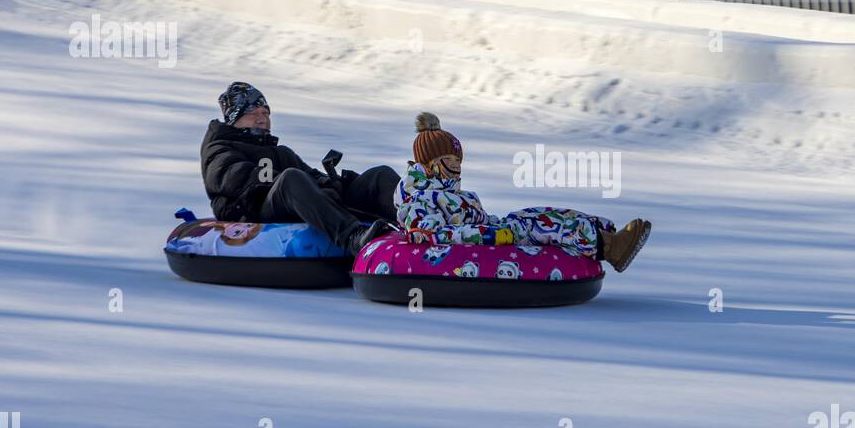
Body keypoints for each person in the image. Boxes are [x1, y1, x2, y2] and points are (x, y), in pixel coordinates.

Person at [394, 112, 651, 272]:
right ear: (431, 163)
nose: (457, 165)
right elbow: (430, 235)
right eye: (450, 159)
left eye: (459, 159)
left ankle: (605, 232)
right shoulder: (421, 198)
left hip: (496, 227)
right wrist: (489, 236)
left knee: (537, 213)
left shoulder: (451, 191)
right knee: (541, 227)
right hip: (493, 237)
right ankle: (610, 248)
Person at [200, 82, 396, 254]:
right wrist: (282, 180)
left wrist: (333, 183)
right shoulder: (219, 147)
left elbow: (311, 176)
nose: (262, 118)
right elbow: (233, 177)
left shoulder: (280, 152)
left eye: (265, 113)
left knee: (378, 175)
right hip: (253, 211)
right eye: (252, 113)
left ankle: (417, 223)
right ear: (234, 119)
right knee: (291, 179)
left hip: (291, 199)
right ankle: (354, 238)